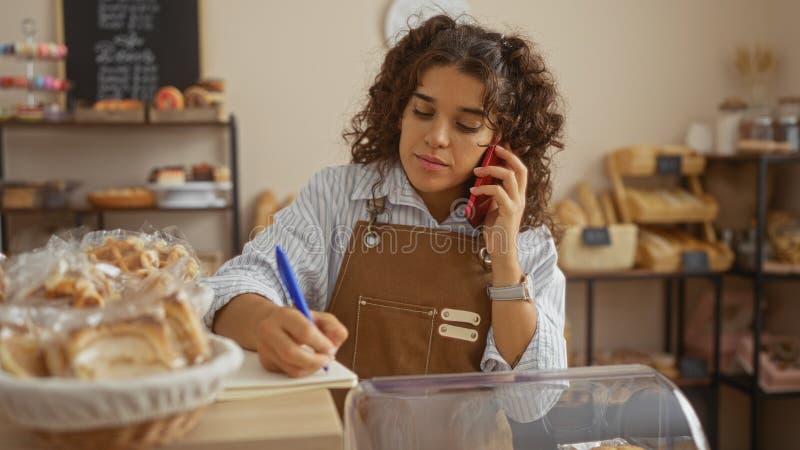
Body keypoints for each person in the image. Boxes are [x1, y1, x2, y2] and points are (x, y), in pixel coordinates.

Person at [202, 14, 567, 384]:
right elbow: (232, 289)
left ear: (500, 142)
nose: (436, 137)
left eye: (466, 125)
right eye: (423, 112)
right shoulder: (336, 196)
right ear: (399, 111)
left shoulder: (526, 239)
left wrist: (505, 258)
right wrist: (266, 322)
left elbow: (534, 400)